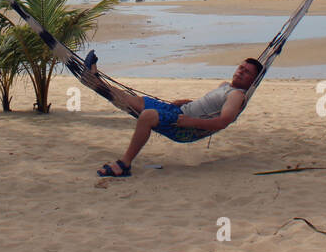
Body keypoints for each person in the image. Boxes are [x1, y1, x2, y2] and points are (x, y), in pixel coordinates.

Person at [86, 55, 261, 178]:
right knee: (134, 101)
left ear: (253, 80)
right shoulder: (225, 86)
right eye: (241, 68)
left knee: (147, 116)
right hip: (180, 112)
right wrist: (188, 102)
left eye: (246, 72)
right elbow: (210, 107)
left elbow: (223, 122)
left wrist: (191, 121)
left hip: (185, 126)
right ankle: (95, 79)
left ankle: (124, 164)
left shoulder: (237, 96)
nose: (240, 72)